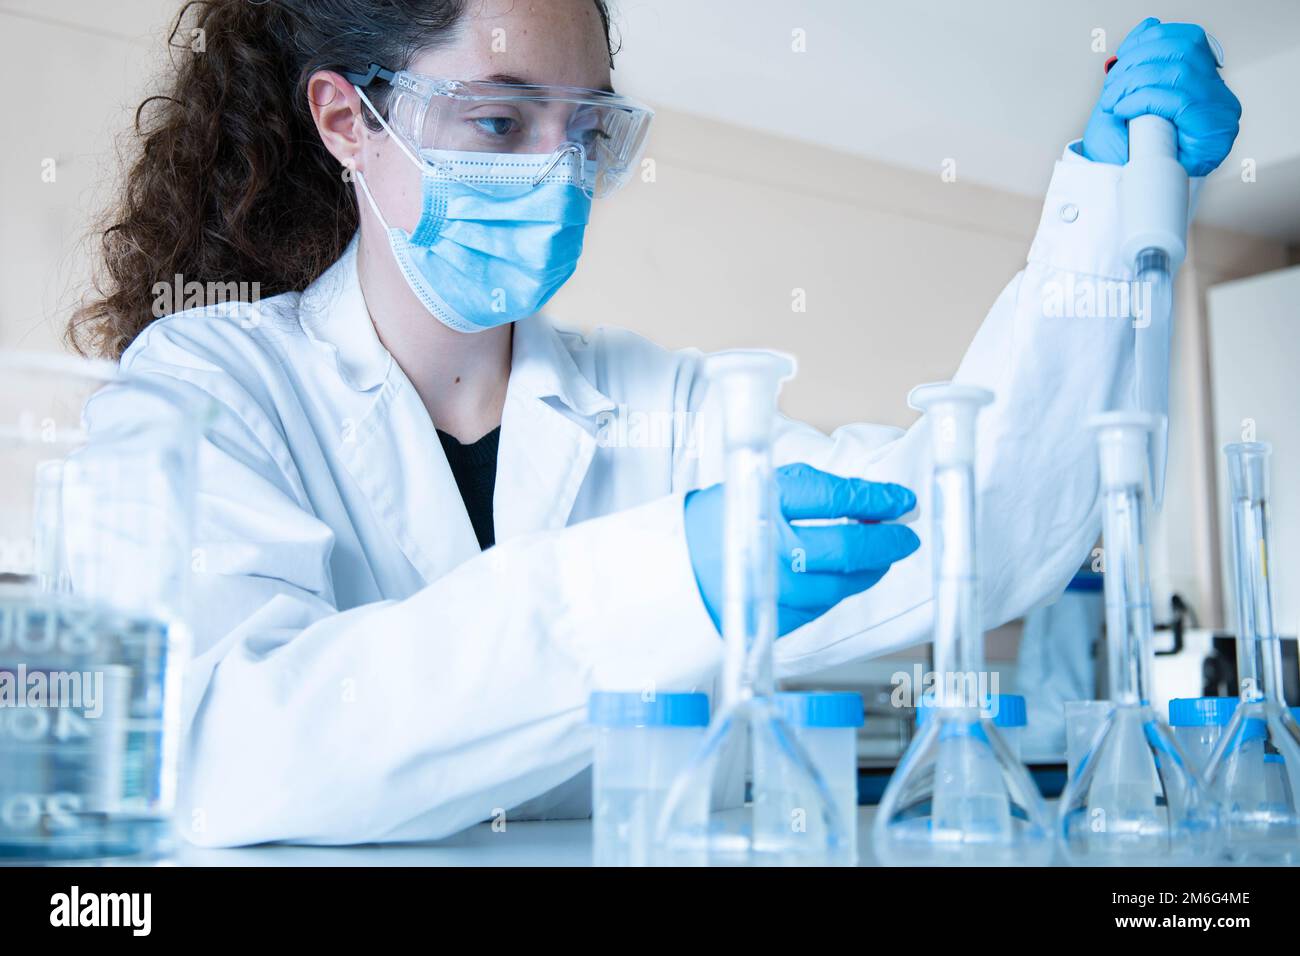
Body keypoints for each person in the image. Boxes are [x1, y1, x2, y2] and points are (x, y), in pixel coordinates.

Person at [70, 1, 1240, 846]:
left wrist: (1112, 197)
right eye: (498, 123)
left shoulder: (665, 406)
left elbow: (977, 535)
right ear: (345, 119)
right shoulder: (211, 384)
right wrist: (657, 579)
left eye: (583, 131)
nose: (558, 174)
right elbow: (218, 747)